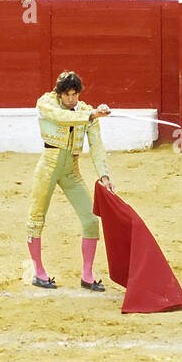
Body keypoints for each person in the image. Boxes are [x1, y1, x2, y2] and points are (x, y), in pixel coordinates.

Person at [24, 70, 113, 291]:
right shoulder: (46, 103)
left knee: (91, 219)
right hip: (48, 168)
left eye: (75, 94)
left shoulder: (85, 111)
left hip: (71, 170)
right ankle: (38, 271)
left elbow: (96, 146)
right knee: (36, 218)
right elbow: (60, 117)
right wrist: (91, 115)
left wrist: (105, 175)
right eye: (67, 95)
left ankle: (87, 275)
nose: (71, 99)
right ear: (59, 93)